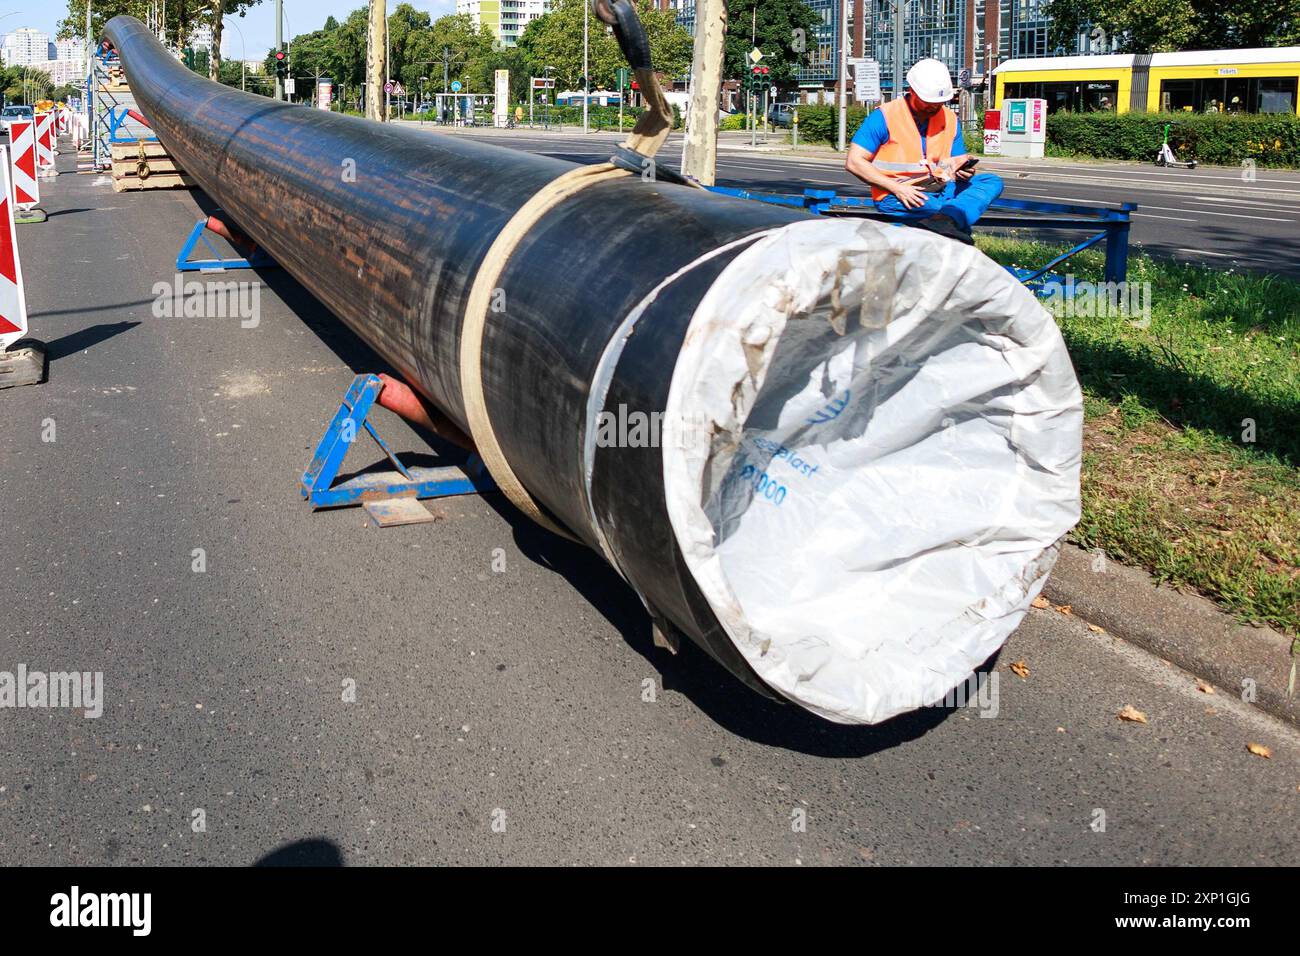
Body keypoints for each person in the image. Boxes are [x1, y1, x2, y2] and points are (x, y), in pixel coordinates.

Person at [844, 58, 1003, 245]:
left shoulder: (950, 119)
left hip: (943, 187)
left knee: (991, 181)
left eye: (940, 102)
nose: (934, 107)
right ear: (912, 91)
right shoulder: (884, 117)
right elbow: (854, 162)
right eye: (928, 102)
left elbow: (953, 163)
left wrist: (963, 172)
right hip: (897, 194)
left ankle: (947, 219)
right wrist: (898, 189)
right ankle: (949, 220)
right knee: (949, 213)